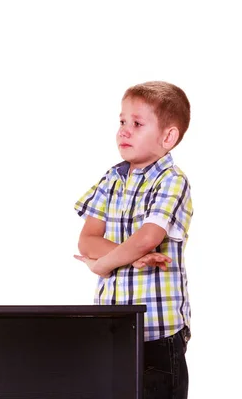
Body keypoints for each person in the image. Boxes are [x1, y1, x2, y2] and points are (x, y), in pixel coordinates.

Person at [73, 81, 193, 398]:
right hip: (111, 330)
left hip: (157, 334)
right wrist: (134, 258)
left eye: (137, 124)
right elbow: (87, 240)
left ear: (168, 137)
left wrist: (103, 265)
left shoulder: (171, 180)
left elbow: (147, 237)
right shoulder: (110, 179)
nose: (124, 130)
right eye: (122, 121)